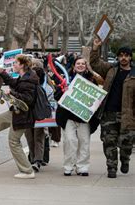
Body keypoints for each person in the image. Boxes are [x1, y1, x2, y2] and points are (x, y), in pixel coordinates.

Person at [91, 38, 134, 178]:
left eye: (126, 55)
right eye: (121, 55)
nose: (123, 58)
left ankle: (125, 159)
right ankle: (112, 167)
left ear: (130, 57)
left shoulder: (134, 74)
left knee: (126, 143)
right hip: (109, 113)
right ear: (118, 57)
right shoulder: (111, 69)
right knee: (109, 141)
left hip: (128, 115)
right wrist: (95, 48)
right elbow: (95, 63)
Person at [56, 57, 99, 176]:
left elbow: (96, 100)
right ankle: (68, 166)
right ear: (74, 65)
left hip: (84, 118)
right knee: (69, 141)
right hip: (68, 116)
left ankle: (82, 167)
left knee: (84, 142)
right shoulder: (66, 78)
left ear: (86, 66)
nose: (80, 65)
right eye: (78, 63)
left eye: (83, 64)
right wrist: (64, 90)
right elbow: (56, 95)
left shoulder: (92, 81)